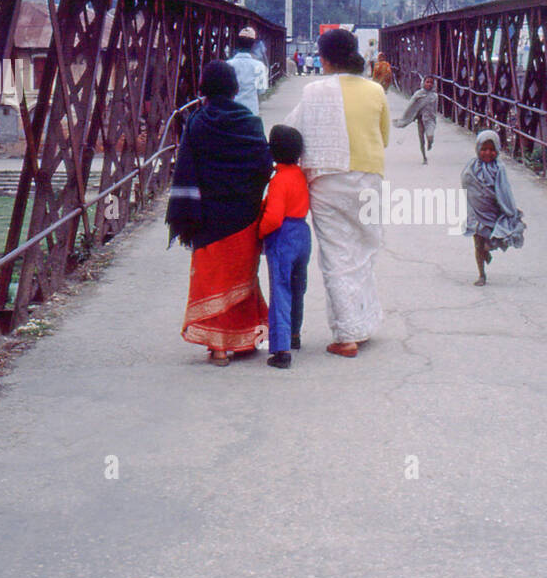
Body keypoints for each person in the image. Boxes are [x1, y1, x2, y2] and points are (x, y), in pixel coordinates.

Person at [286, 28, 389, 358]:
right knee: (363, 252)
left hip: (328, 181)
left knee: (336, 257)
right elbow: (383, 137)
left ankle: (346, 334)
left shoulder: (314, 91)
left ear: (325, 58)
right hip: (368, 179)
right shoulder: (375, 91)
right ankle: (363, 323)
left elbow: (290, 132)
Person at [166, 61, 273, 366]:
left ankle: (219, 349)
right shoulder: (249, 121)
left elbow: (186, 170)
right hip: (243, 215)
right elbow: (263, 164)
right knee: (242, 277)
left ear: (203, 88)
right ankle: (243, 339)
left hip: (209, 218)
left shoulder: (197, 123)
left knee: (213, 279)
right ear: (235, 88)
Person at [259, 125, 311, 369]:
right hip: (302, 232)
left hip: (283, 236)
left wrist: (258, 234)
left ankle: (281, 350)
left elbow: (273, 217)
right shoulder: (301, 175)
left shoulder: (279, 180)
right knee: (297, 287)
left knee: (280, 290)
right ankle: (294, 335)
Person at [462, 129, 525, 286]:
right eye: (483, 149)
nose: (487, 153)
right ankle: (481, 275)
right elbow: (466, 183)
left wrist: (510, 211)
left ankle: (486, 252)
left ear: (497, 150)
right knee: (477, 243)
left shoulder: (499, 168)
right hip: (476, 213)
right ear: (477, 149)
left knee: (488, 243)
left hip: (492, 212)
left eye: (492, 150)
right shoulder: (472, 166)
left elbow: (504, 191)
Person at [392, 75, 438, 163]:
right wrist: (408, 117)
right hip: (420, 120)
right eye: (427, 82)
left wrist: (434, 119)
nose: (429, 84)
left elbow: (434, 110)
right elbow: (411, 106)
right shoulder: (418, 94)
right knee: (421, 139)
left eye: (431, 82)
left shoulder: (434, 96)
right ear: (423, 83)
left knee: (430, 136)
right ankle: (424, 157)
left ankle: (430, 143)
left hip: (430, 120)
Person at [229, 27, 268, 116]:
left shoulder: (228, 65)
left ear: (238, 43)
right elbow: (261, 90)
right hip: (251, 110)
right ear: (253, 44)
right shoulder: (259, 66)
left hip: (231, 111)